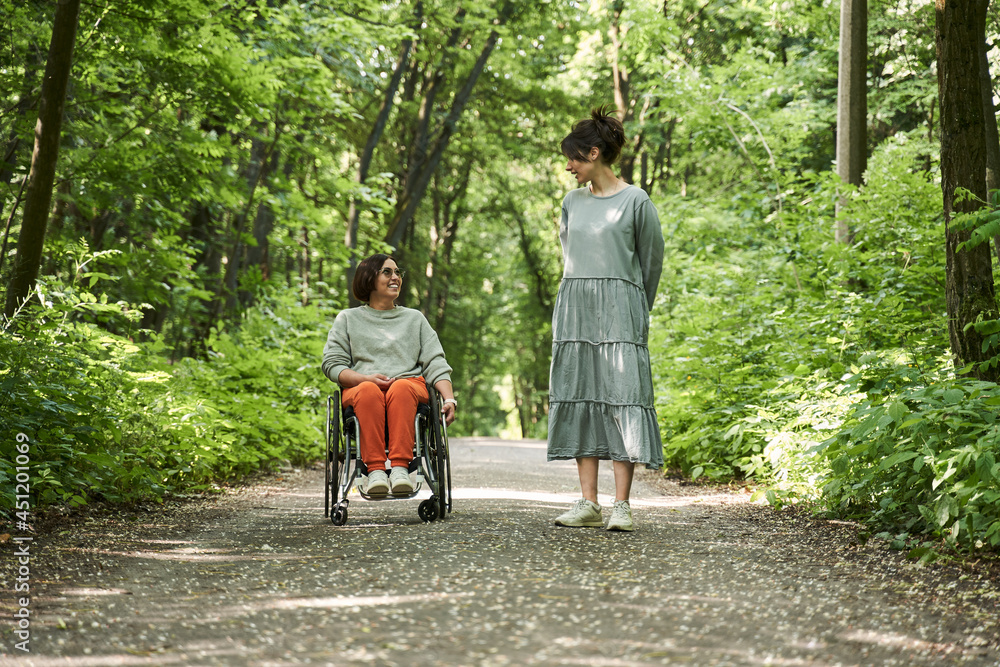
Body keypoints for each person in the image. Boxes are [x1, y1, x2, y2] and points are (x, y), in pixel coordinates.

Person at [548, 106, 665, 532]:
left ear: (594, 154)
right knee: (582, 395)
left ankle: (622, 505)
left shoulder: (636, 201)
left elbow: (651, 261)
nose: (569, 166)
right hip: (577, 310)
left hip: (621, 309)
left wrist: (635, 306)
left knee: (622, 396)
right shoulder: (571, 203)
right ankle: (587, 503)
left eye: (574, 158)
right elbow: (569, 258)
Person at [322, 253, 457, 496]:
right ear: (368, 278)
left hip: (409, 389)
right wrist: (364, 378)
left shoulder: (414, 319)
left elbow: (436, 362)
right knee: (368, 390)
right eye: (387, 272)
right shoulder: (348, 319)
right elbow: (333, 365)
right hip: (362, 391)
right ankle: (374, 471)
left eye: (397, 272)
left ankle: (400, 470)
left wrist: (449, 399)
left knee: (402, 387)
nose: (395, 277)